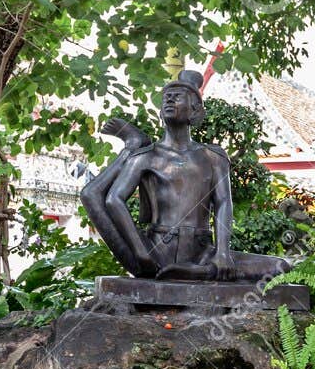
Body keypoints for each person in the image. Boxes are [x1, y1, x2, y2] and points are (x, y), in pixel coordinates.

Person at [80, 70, 289, 282]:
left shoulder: (213, 156)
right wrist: (141, 250)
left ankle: (197, 271)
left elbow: (223, 202)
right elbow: (114, 199)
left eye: (178, 96)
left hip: (202, 252)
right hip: (156, 251)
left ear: (195, 111)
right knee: (90, 195)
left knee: (281, 266)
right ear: (161, 114)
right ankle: (196, 273)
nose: (170, 99)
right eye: (166, 98)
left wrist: (222, 253)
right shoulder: (146, 157)